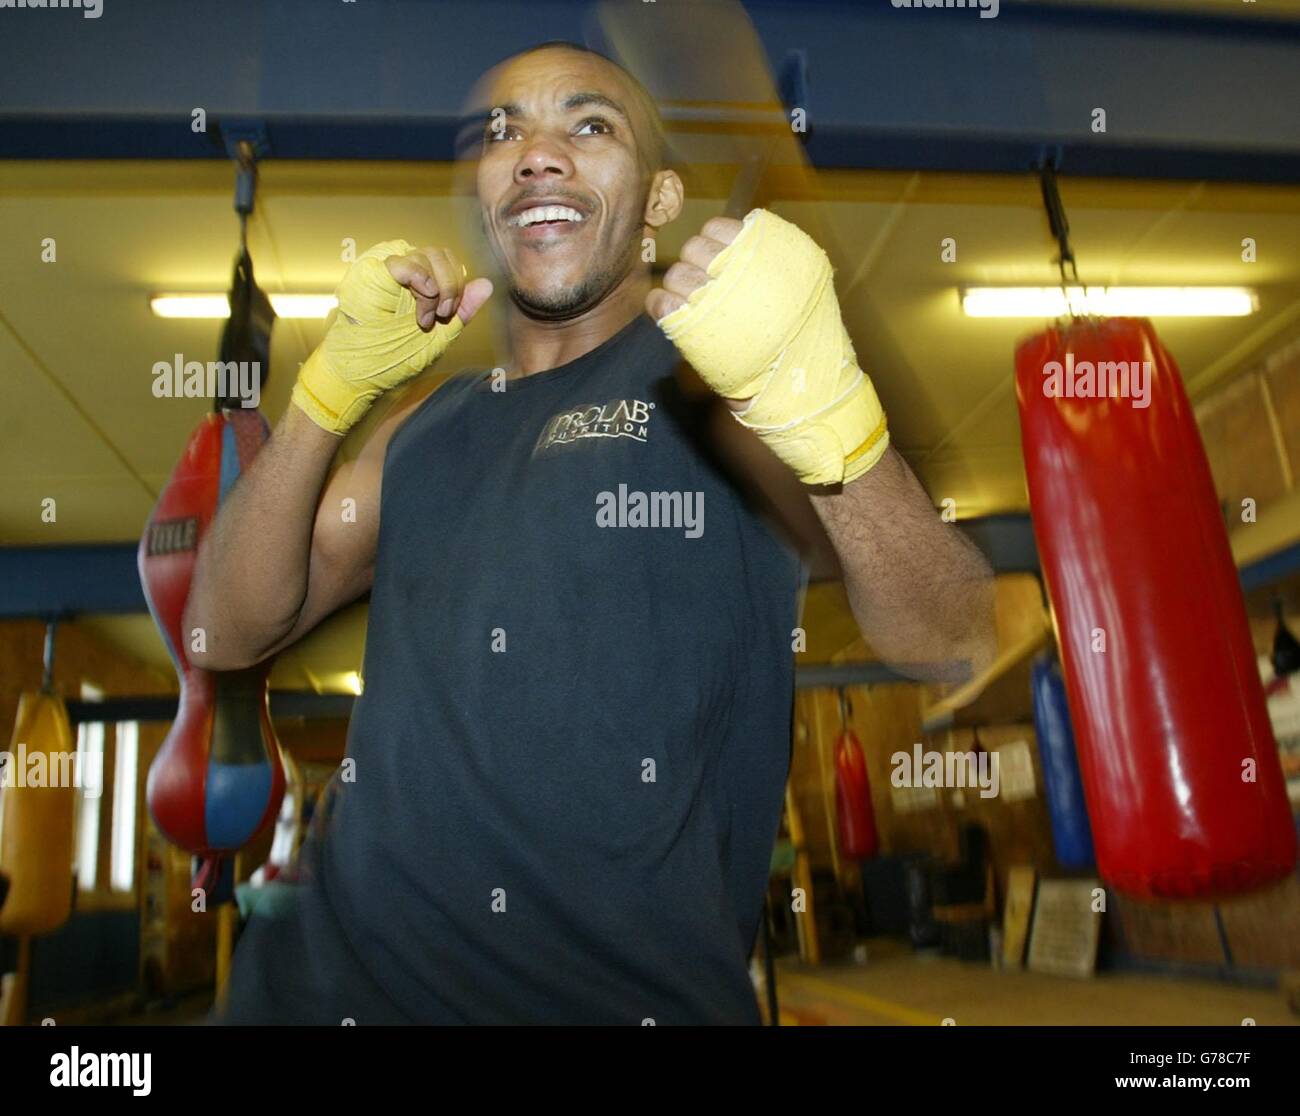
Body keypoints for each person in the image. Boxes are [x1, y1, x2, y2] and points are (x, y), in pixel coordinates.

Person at [189, 40, 995, 1024]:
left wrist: (829, 417)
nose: (536, 152)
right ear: (486, 192)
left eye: (588, 125)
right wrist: (325, 393)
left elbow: (949, 631)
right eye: (504, 132)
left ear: (660, 200)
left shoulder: (719, 385)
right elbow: (221, 633)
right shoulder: (425, 425)